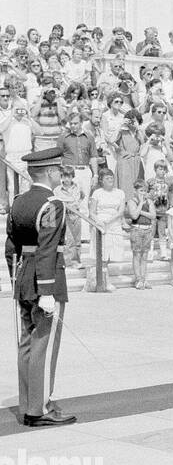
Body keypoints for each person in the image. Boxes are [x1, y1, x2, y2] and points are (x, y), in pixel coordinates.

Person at [7, 147, 76, 425]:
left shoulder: (18, 202)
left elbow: (11, 244)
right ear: (49, 172)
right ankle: (40, 408)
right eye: (58, 169)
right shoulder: (53, 204)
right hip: (46, 278)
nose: (61, 173)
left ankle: (28, 404)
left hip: (23, 275)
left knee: (26, 343)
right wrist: (46, 291)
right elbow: (47, 249)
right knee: (43, 344)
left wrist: (16, 276)